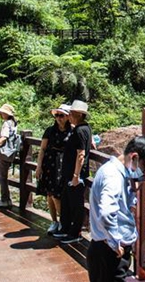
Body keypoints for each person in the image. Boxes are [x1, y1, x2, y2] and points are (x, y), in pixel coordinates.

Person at [88, 136, 145, 282]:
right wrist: (115, 242)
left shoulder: (118, 171)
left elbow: (122, 202)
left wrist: (135, 186)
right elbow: (106, 212)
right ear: (134, 157)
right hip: (110, 251)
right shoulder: (113, 176)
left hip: (107, 247)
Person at [52, 100, 93, 244]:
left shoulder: (81, 130)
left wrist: (76, 175)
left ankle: (75, 232)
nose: (69, 115)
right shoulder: (81, 128)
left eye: (72, 113)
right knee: (67, 202)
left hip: (75, 175)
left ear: (79, 115)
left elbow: (81, 154)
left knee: (76, 204)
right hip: (68, 173)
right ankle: (65, 229)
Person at [35, 104, 72, 234]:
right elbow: (43, 149)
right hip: (50, 163)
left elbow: (81, 142)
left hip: (64, 164)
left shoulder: (72, 131)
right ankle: (55, 222)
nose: (58, 118)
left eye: (61, 115)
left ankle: (63, 222)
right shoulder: (49, 130)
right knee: (50, 194)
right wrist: (39, 166)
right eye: (57, 115)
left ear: (68, 117)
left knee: (57, 194)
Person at [0, 103, 17, 208]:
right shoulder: (13, 123)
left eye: (2, 112)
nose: (0, 114)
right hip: (10, 152)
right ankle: (7, 199)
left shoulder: (6, 123)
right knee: (2, 176)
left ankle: (5, 199)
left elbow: (4, 137)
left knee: (1, 177)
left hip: (4, 152)